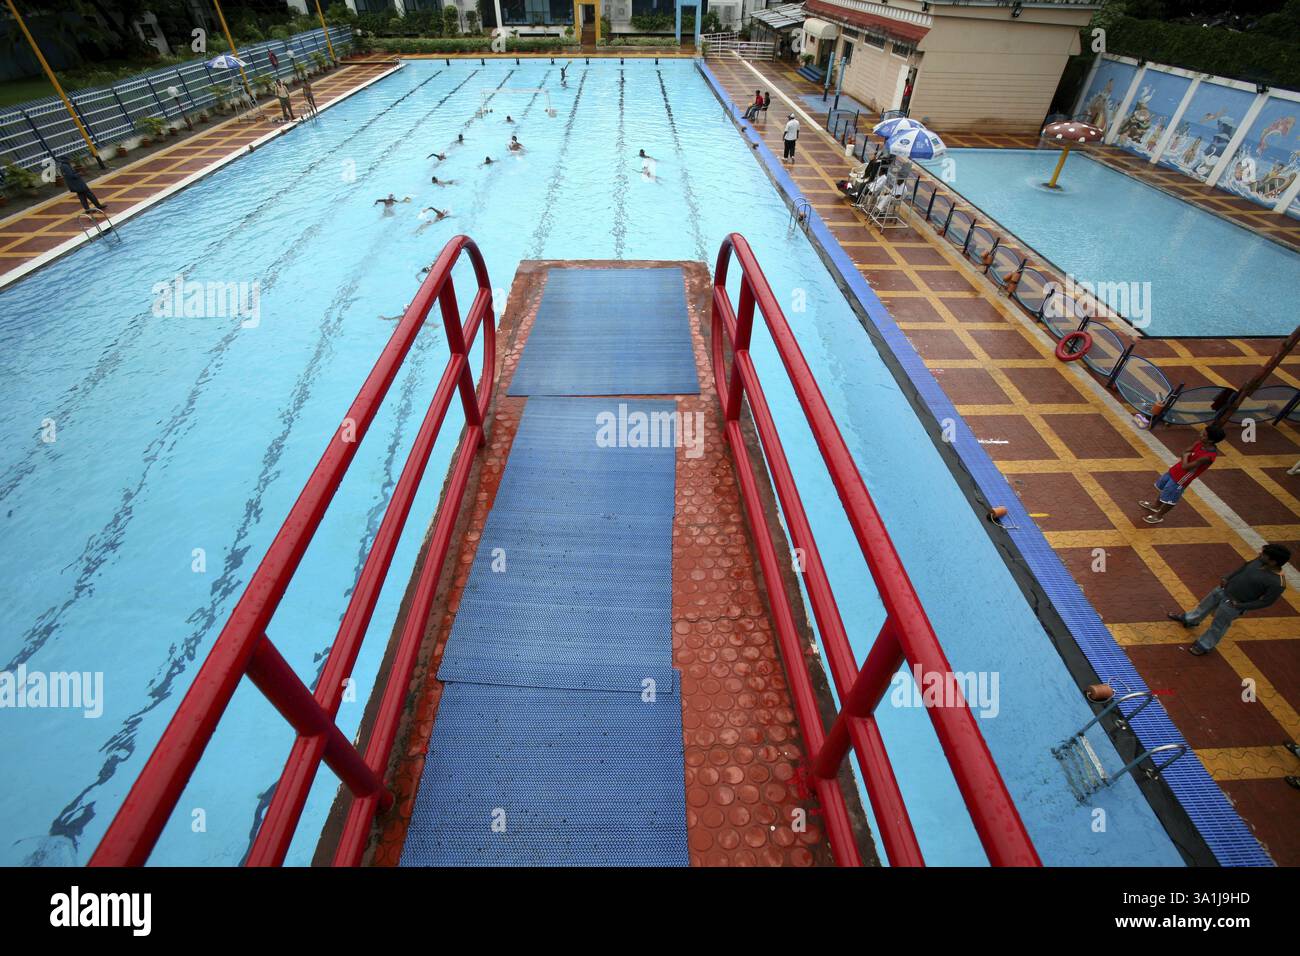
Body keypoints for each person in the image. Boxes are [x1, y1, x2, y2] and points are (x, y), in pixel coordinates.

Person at [1168, 544, 1289, 655]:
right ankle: (1190, 620)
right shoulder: (1259, 561)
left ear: (1273, 562)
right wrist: (1227, 578)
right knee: (1203, 607)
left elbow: (1266, 602)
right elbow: (1243, 568)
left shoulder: (1278, 583)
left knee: (1219, 625)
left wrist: (1240, 606)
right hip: (1222, 590)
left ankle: (1204, 645)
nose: (1259, 554)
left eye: (1264, 555)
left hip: (1234, 604)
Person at [1139, 424, 1224, 524]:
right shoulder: (1199, 443)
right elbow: (1185, 452)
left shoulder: (1208, 457)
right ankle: (1155, 506)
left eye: (1204, 434)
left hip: (1182, 478)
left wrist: (1185, 456)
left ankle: (1159, 516)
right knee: (1165, 489)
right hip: (1175, 470)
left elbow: (1186, 466)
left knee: (1171, 498)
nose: (1200, 434)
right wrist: (1186, 456)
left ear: (1210, 440)